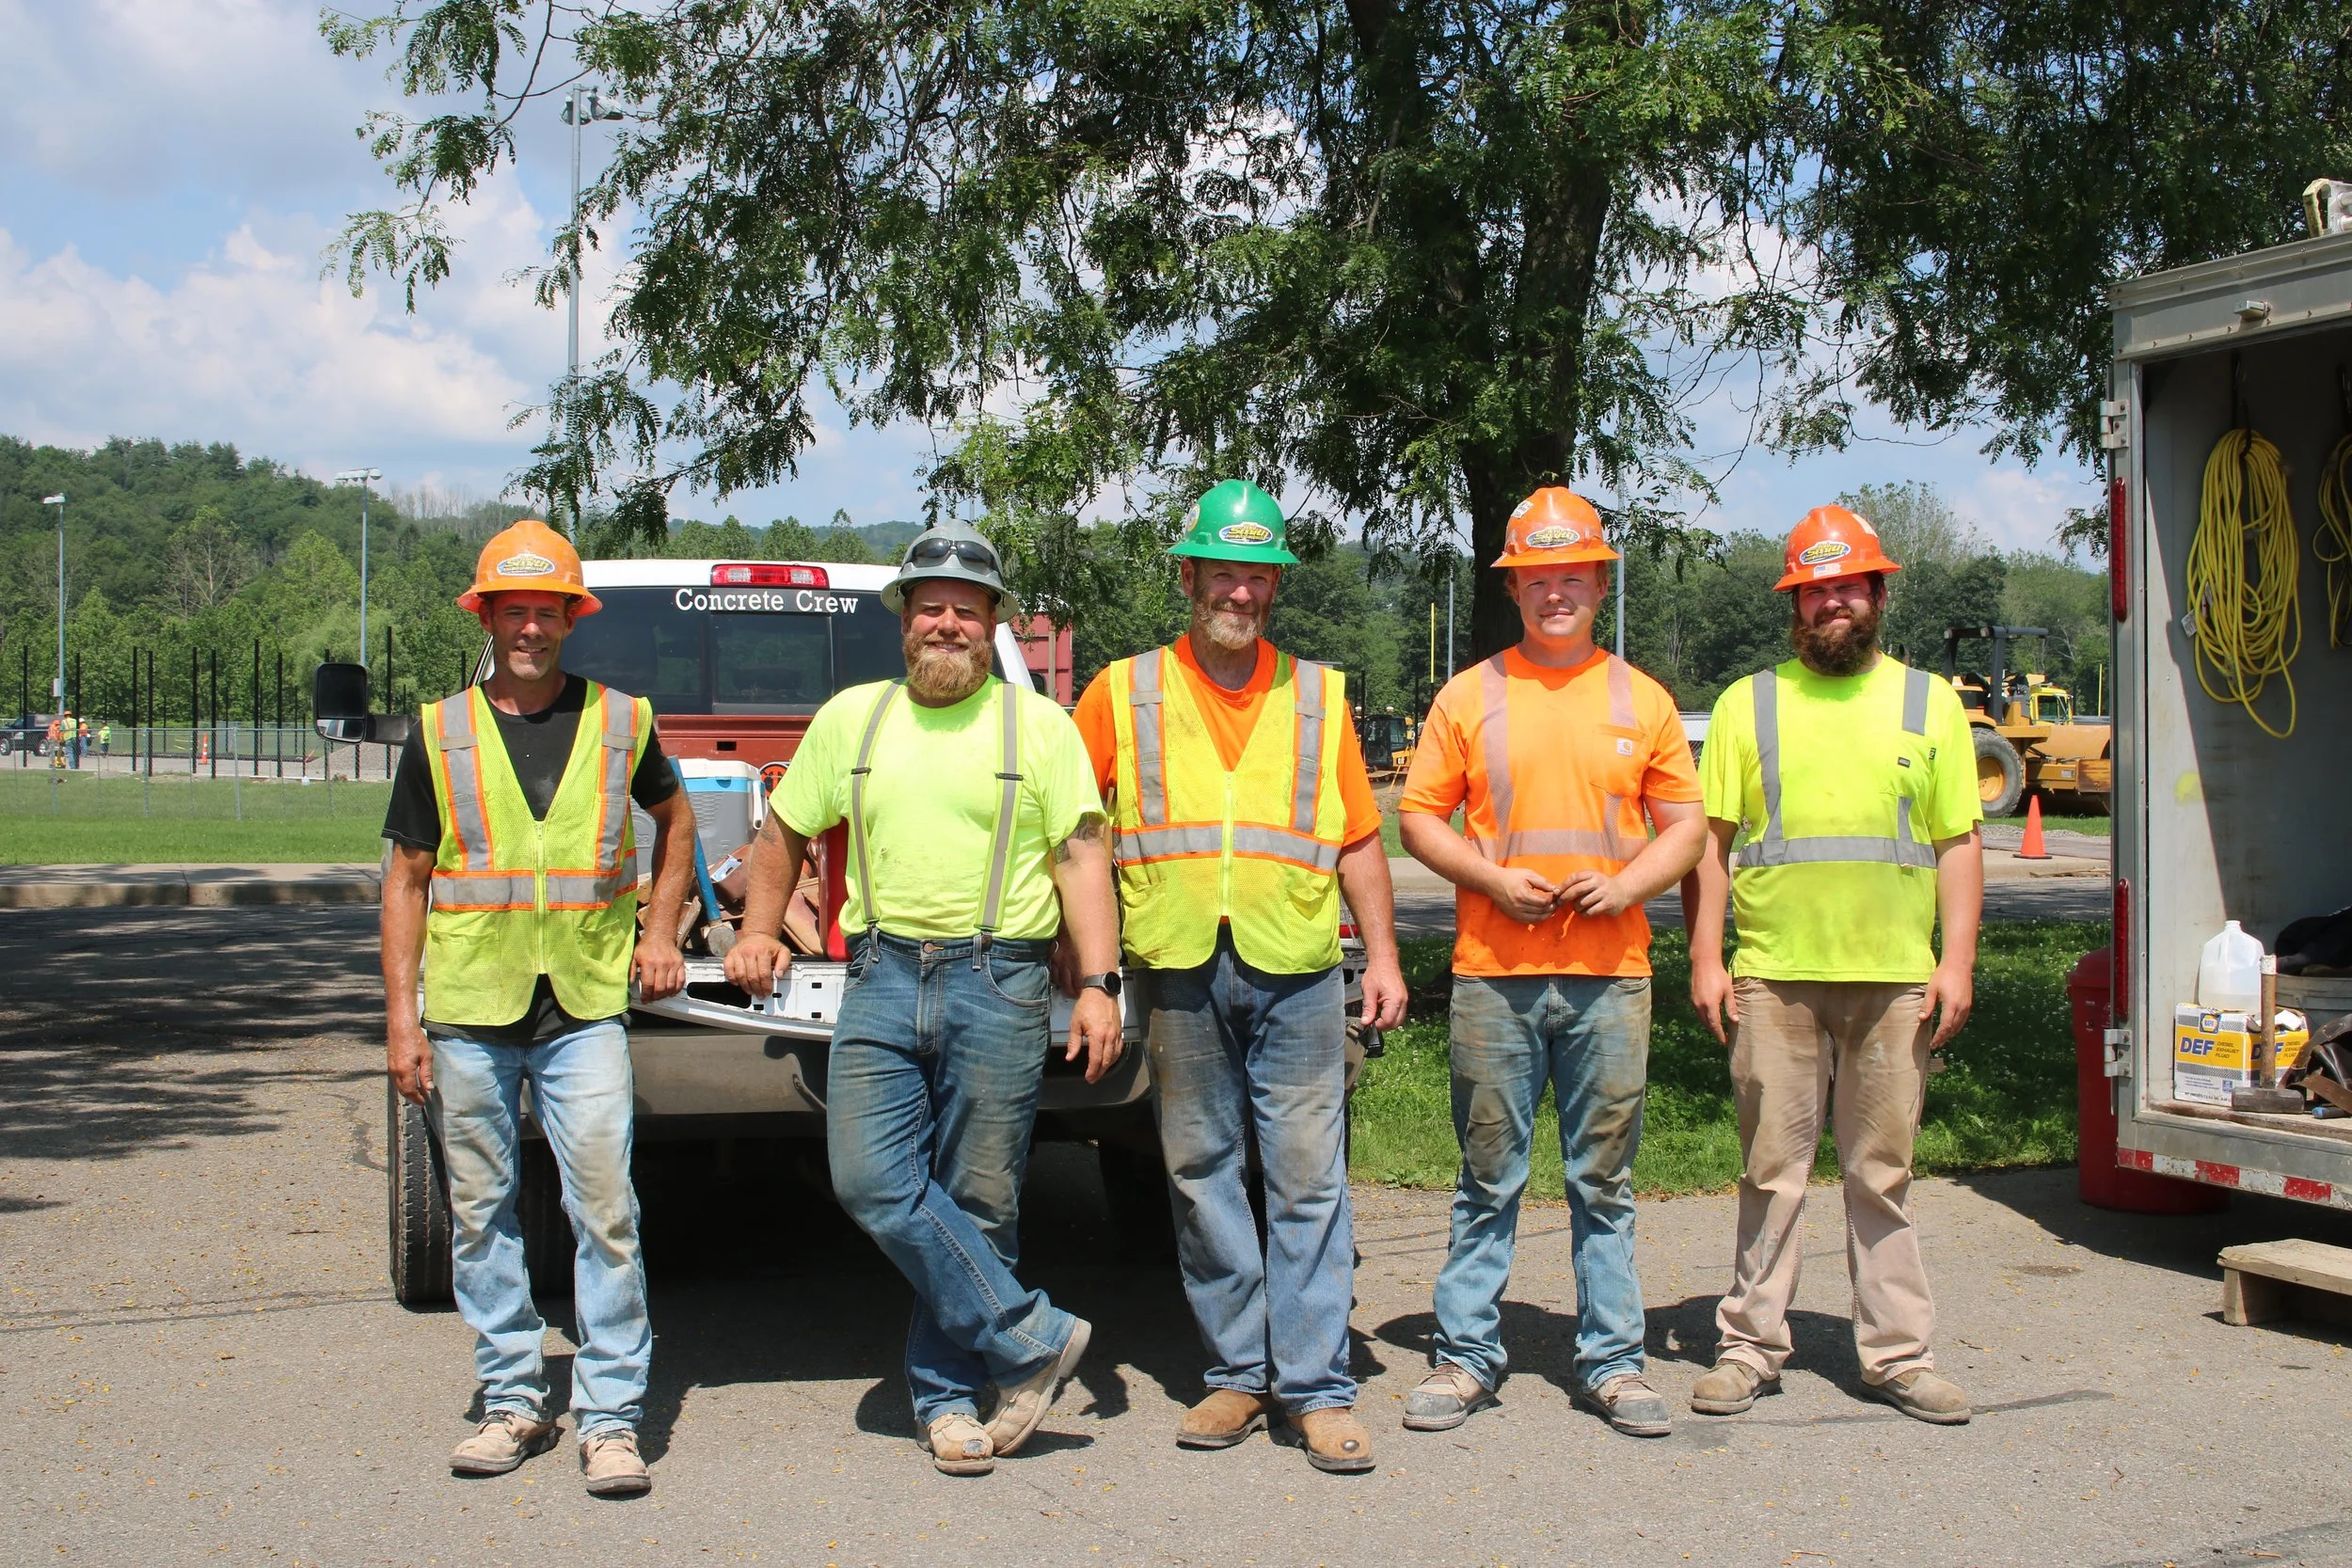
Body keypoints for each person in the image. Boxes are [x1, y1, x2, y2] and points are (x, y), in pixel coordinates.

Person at [723, 520, 1122, 1478]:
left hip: (1002, 976)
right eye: (929, 606)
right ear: (903, 620)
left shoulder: (1040, 726)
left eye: (966, 609)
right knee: (870, 1180)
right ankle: (1028, 1331)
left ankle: (950, 1400)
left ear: (994, 624)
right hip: (881, 970)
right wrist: (755, 928)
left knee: (981, 1198)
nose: (946, 623)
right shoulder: (852, 718)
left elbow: (1080, 854)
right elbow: (779, 833)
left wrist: (1102, 980)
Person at [1071, 480, 1408, 1475]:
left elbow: (1356, 836)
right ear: (1189, 576)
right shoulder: (1120, 689)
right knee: (1200, 1171)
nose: (1242, 592)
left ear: (1273, 587)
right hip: (1173, 965)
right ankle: (1234, 1370)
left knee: (1306, 1178)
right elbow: (1071, 826)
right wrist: (1078, 952)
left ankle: (1315, 1386)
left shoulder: (1317, 693)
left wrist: (1380, 954)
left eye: (1258, 576)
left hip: (1297, 965)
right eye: (1225, 571)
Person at [379, 518, 696, 1496]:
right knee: (480, 1212)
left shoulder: (621, 719)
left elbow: (676, 818)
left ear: (569, 616)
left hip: (586, 1004)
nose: (529, 625)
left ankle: (609, 1418)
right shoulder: (440, 731)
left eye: (545, 609)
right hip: (471, 1006)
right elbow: (405, 877)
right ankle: (512, 1396)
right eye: (511, 609)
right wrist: (400, 1016)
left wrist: (662, 930)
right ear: (488, 616)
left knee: (605, 1209)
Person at [1393, 488, 1706, 1438]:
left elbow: (1685, 826)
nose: (1556, 592)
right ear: (1516, 586)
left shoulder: (1639, 698)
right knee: (1487, 1173)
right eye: (1539, 577)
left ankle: (1612, 1362)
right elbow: (1417, 817)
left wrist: (1626, 887)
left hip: (1611, 976)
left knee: (1601, 1180)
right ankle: (1465, 1356)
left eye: (1573, 575)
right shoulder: (1470, 692)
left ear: (1598, 582)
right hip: (1495, 971)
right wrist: (1489, 876)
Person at [1684, 504, 1984, 1426]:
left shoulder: (1927, 701)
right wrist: (1705, 954)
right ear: (1795, 604)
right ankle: (1748, 1347)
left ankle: (1897, 1356)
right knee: (1771, 1169)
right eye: (1815, 590)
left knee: (1880, 1172)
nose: (1832, 603)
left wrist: (1956, 962)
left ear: (1876, 594)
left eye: (1847, 586)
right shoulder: (1748, 703)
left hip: (1895, 978)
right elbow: (1710, 843)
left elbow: (1959, 842)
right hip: (1772, 978)